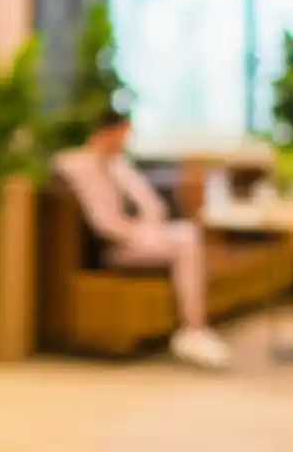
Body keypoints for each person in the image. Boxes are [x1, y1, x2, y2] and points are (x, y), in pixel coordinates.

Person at [53, 109, 232, 370]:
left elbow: (152, 207)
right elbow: (105, 224)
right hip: (116, 247)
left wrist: (149, 229)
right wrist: (139, 232)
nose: (125, 141)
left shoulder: (118, 166)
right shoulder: (79, 165)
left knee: (186, 234)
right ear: (108, 133)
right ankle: (193, 329)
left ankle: (194, 329)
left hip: (142, 236)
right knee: (185, 239)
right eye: (123, 135)